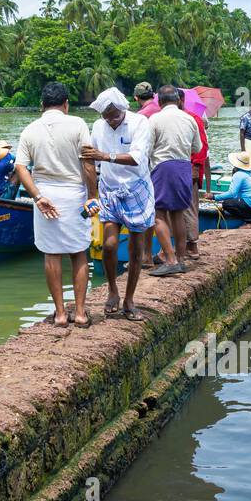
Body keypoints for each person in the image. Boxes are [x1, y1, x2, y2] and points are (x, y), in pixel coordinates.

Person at [14, 82, 99, 328]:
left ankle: (60, 314)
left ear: (42, 105)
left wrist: (37, 196)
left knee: (52, 254)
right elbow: (88, 163)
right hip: (74, 195)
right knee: (79, 253)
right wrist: (93, 195)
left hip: (46, 197)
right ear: (66, 104)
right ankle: (81, 312)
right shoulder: (78, 124)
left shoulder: (30, 129)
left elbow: (21, 167)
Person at [83, 87, 153, 322]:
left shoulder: (140, 122)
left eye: (114, 115)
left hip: (137, 188)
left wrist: (106, 156)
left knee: (136, 248)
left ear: (123, 109)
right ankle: (113, 289)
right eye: (107, 116)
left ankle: (129, 299)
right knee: (110, 244)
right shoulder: (98, 127)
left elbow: (137, 158)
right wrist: (91, 193)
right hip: (110, 189)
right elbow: (89, 158)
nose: (111, 120)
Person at [146, 85, 203, 276]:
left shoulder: (155, 119)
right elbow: (197, 147)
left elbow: (147, 149)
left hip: (163, 166)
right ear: (178, 100)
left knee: (159, 214)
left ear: (160, 102)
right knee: (178, 214)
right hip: (184, 167)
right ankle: (179, 259)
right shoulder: (190, 119)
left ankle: (169, 260)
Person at [206, 145, 251, 226]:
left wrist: (214, 197)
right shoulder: (249, 175)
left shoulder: (238, 174)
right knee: (236, 201)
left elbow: (232, 193)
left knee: (227, 204)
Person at [133, 82, 161, 261]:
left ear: (136, 98)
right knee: (160, 211)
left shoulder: (141, 117)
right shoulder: (161, 110)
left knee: (147, 211)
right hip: (164, 166)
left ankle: (145, 255)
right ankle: (152, 253)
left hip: (147, 168)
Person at [185, 105, 209, 261]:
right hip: (175, 167)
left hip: (189, 166)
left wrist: (195, 166)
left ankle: (192, 245)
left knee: (190, 207)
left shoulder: (193, 119)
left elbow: (202, 148)